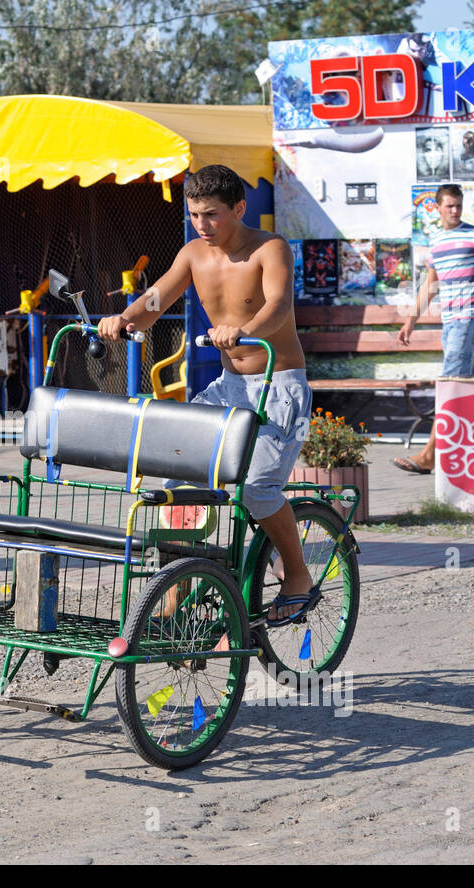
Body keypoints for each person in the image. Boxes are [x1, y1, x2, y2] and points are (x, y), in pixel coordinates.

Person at [96, 164, 315, 627]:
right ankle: (181, 589)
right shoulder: (194, 253)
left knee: (257, 489)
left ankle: (297, 575)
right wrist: (127, 319)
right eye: (195, 214)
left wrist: (246, 331)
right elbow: (158, 297)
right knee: (176, 479)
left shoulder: (268, 248)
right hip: (228, 388)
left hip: (279, 386)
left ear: (239, 208)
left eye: (212, 215)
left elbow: (278, 305)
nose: (202, 224)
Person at [394, 183, 474, 474]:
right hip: (450, 322)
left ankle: (430, 454)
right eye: (450, 206)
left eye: (458, 205)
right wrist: (411, 320)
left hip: (469, 319)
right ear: (438, 208)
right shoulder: (435, 242)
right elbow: (430, 285)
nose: (455, 211)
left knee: (449, 385)